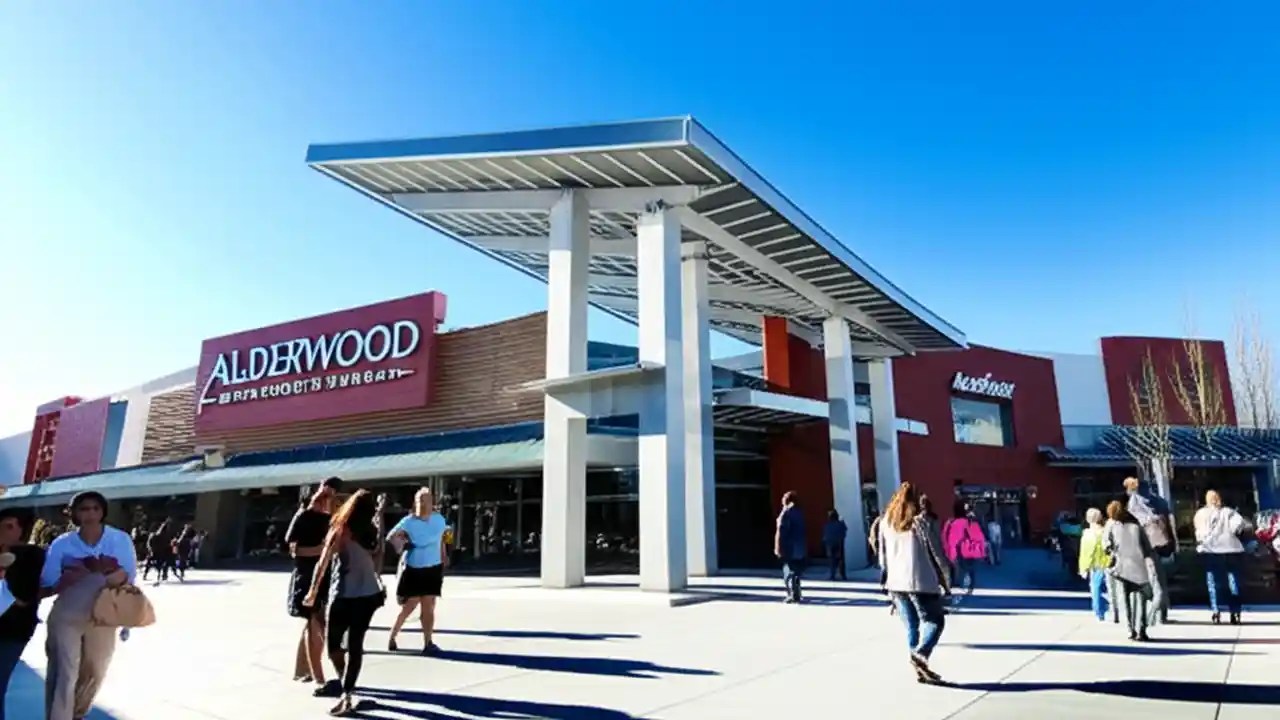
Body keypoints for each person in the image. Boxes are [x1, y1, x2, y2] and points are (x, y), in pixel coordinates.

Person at [40, 491, 138, 720]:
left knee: (95, 669)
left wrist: (107, 571)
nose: (91, 513)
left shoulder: (119, 539)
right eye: (84, 509)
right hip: (68, 611)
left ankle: (76, 714)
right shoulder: (62, 543)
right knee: (65, 671)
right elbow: (49, 580)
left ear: (103, 511)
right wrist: (72, 573)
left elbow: (129, 576)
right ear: (74, 513)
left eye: (95, 508)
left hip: (103, 611)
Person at [304, 490, 387, 717]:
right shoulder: (347, 530)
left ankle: (347, 693)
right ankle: (347, 686)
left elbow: (323, 563)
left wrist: (312, 591)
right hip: (353, 594)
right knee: (341, 647)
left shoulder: (361, 531)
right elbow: (324, 563)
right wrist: (313, 591)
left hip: (356, 594)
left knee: (347, 645)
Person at [877, 482, 951, 684]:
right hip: (921, 581)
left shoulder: (885, 523)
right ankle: (920, 656)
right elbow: (937, 554)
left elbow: (882, 557)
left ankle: (919, 665)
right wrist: (947, 578)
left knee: (911, 625)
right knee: (935, 621)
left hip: (896, 583)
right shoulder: (919, 523)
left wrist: (886, 578)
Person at [287, 477, 341, 694]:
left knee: (315, 623)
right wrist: (322, 550)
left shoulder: (331, 519)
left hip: (325, 575)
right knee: (315, 622)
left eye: (330, 495)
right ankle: (317, 677)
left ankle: (304, 670)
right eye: (323, 494)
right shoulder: (303, 516)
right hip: (305, 575)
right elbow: (293, 549)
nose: (325, 499)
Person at [386, 487, 449, 654]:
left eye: (427, 500)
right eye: (420, 500)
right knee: (410, 606)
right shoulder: (409, 521)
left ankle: (428, 642)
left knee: (429, 606)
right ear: (415, 502)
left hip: (433, 567)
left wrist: (444, 556)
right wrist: (404, 544)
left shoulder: (439, 520)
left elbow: (443, 538)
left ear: (432, 502)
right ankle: (392, 636)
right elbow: (391, 537)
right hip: (414, 568)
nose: (424, 503)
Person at [0, 508, 46, 720]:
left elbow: (25, 598)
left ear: (22, 530)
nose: (2, 529)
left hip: (12, 629)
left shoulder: (32, 555)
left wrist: (3, 575)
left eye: (10, 525)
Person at [1124, 476, 1176, 625]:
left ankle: (1152, 616)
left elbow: (1136, 526)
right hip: (1162, 542)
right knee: (1160, 579)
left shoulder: (1134, 504)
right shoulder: (1159, 501)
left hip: (1147, 546)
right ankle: (1162, 613)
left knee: (1152, 583)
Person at [1104, 500, 1156, 642]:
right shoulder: (1136, 526)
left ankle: (1130, 629)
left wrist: (1113, 552)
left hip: (1121, 567)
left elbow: (1106, 547)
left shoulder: (1111, 526)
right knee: (1141, 600)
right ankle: (1142, 629)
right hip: (1138, 566)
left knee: (1124, 600)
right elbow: (1147, 548)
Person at [1193, 490, 1247, 625]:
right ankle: (1235, 612)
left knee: (1212, 582)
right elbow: (1239, 525)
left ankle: (1216, 611)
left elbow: (1199, 534)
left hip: (1210, 550)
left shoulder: (1201, 514)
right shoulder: (1229, 512)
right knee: (1233, 580)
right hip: (1231, 549)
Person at [942, 501, 985, 607]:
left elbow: (946, 538)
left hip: (956, 552)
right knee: (970, 570)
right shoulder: (970, 521)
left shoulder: (951, 522)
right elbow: (979, 537)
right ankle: (969, 588)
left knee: (960, 570)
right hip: (970, 552)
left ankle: (960, 589)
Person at [1077, 508, 1111, 622]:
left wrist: (1083, 568)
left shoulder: (1087, 534)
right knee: (1109, 588)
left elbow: (1085, 553)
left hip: (1096, 565)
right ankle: (1110, 609)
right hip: (1108, 563)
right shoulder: (1105, 531)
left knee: (1096, 589)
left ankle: (1099, 611)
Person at [774, 492, 807, 604]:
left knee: (789, 572)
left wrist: (778, 547)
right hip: (799, 547)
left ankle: (792, 594)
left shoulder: (786, 513)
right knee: (796, 572)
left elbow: (782, 531)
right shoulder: (799, 513)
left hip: (789, 547)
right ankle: (797, 593)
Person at [822, 510, 848, 581]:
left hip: (830, 544)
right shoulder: (840, 524)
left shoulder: (827, 525)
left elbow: (825, 536)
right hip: (839, 544)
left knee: (832, 560)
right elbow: (845, 531)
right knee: (841, 560)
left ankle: (832, 575)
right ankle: (843, 575)